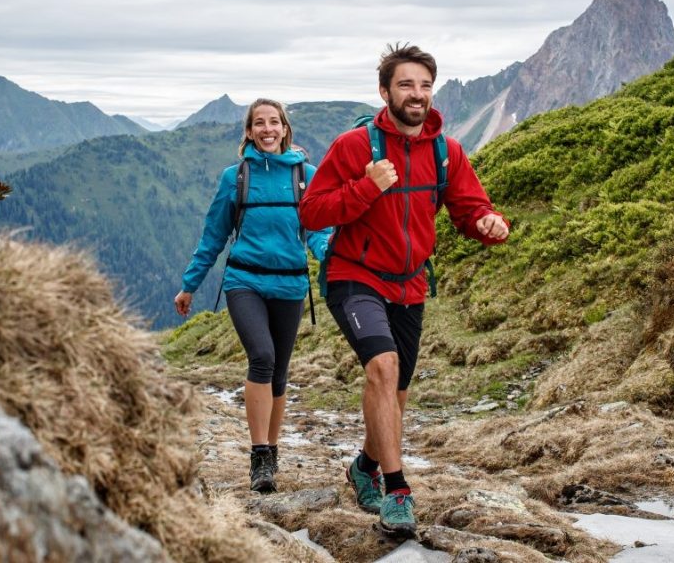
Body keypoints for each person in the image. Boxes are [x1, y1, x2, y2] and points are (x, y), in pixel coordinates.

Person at [299, 44, 509, 537]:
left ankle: (364, 467)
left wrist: (487, 222)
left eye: (424, 86)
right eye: (406, 85)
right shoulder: (356, 147)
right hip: (354, 276)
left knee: (397, 394)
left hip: (410, 283)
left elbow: (467, 207)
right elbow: (312, 211)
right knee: (382, 367)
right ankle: (397, 490)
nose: (417, 95)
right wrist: (367, 187)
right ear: (385, 92)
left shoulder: (445, 151)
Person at [175, 98, 331, 494]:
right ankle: (259, 454)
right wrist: (190, 285)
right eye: (259, 123)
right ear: (248, 131)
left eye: (274, 122)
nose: (267, 129)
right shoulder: (236, 177)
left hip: (291, 284)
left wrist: (328, 255)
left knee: (279, 371)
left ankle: (273, 451)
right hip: (244, 282)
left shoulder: (305, 175)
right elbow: (214, 235)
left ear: (284, 129)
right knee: (261, 357)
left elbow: (316, 230)